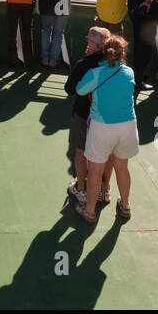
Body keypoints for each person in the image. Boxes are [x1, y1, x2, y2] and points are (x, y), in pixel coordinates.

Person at [75, 36, 137, 224]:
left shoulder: (96, 73)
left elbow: (79, 90)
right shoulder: (130, 72)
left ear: (104, 51)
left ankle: (90, 212)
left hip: (102, 128)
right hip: (128, 127)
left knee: (95, 170)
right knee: (122, 167)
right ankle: (125, 206)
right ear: (123, 53)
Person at [65, 26, 113, 207]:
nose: (87, 43)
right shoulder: (113, 65)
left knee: (80, 151)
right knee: (106, 155)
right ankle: (105, 189)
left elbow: (69, 89)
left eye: (89, 42)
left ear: (96, 45)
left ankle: (82, 189)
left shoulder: (83, 65)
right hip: (106, 117)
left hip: (84, 114)